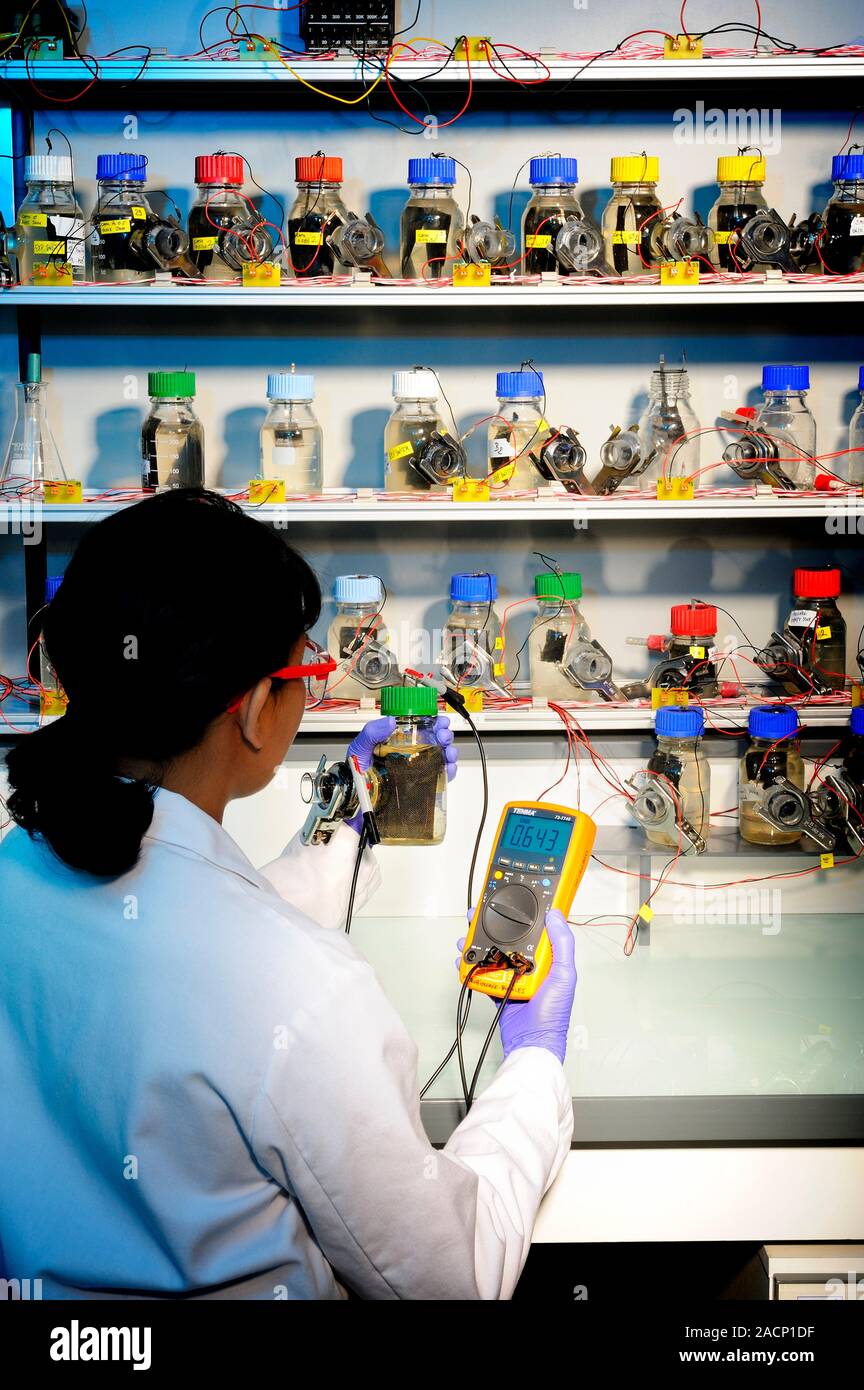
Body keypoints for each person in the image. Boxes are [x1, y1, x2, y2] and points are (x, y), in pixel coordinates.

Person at [0, 489, 576, 1301]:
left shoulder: (15, 877)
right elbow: (452, 1277)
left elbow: (181, 929)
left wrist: (352, 815)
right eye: (305, 668)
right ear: (254, 708)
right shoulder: (309, 989)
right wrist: (536, 1069)